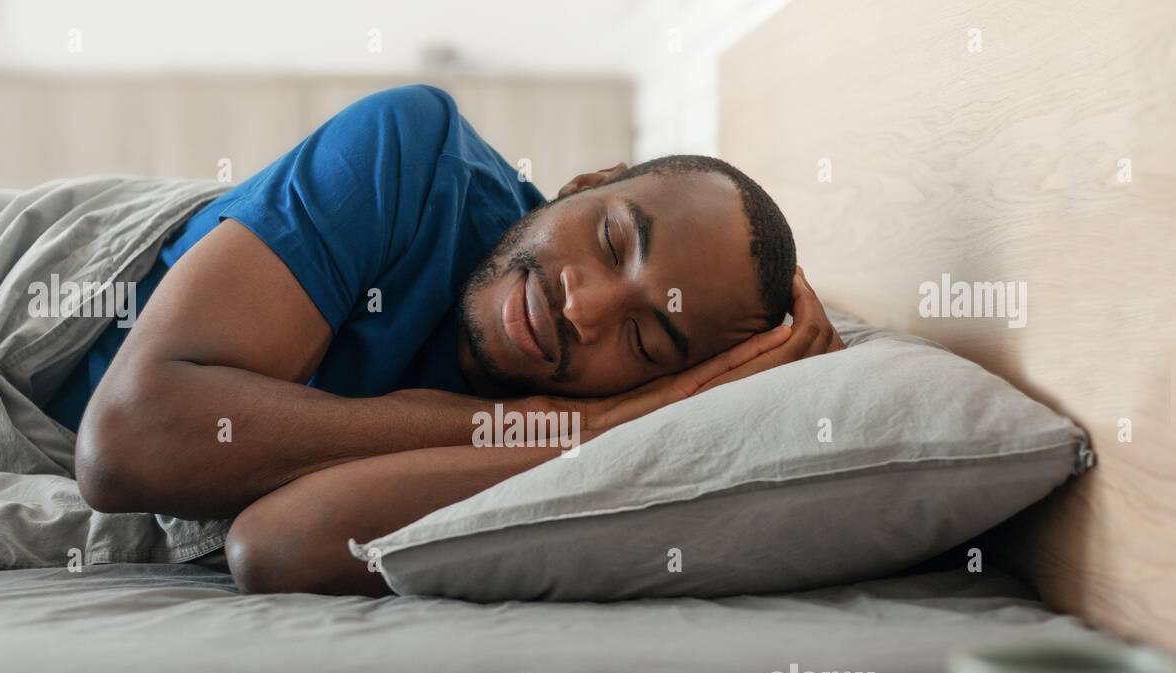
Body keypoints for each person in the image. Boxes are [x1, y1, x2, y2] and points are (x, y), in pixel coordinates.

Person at [65, 84, 844, 595]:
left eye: (645, 341)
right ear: (583, 183)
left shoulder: (584, 421)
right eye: (610, 240)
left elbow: (277, 545)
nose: (587, 309)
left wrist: (587, 436)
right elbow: (126, 443)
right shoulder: (408, 151)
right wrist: (552, 421)